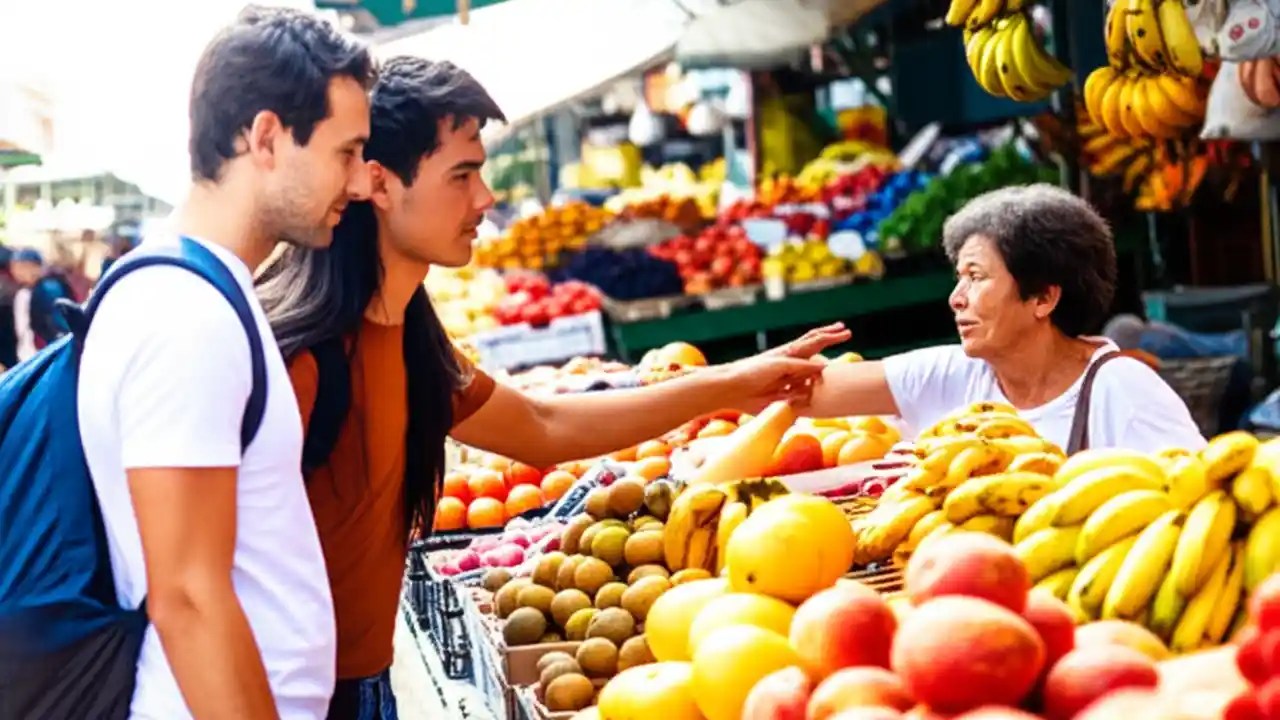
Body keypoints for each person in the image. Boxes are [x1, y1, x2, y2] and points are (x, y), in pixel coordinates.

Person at [255, 56, 845, 720]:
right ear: (380, 183)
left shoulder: (407, 335)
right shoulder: (298, 359)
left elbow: (541, 428)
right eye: (463, 174)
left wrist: (732, 384)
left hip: (364, 684)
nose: (486, 198)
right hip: (291, 697)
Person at [75, 7, 374, 719]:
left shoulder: (207, 293)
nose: (362, 184)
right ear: (266, 137)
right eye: (346, 153)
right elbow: (187, 596)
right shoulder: (185, 317)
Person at [806, 184, 1205, 453]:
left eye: (975, 277)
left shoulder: (1122, 392)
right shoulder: (954, 373)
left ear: (1044, 298)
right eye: (959, 278)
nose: (955, 299)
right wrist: (748, 377)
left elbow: (1197, 502)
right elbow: (801, 391)